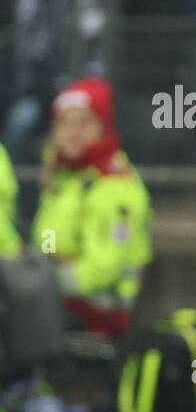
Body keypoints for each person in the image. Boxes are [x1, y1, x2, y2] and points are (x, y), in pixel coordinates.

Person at [32, 78, 152, 339]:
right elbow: (49, 244)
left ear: (103, 127)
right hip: (57, 309)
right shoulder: (65, 177)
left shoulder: (112, 185)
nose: (73, 132)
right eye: (65, 122)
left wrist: (40, 282)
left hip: (98, 319)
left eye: (84, 122)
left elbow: (102, 271)